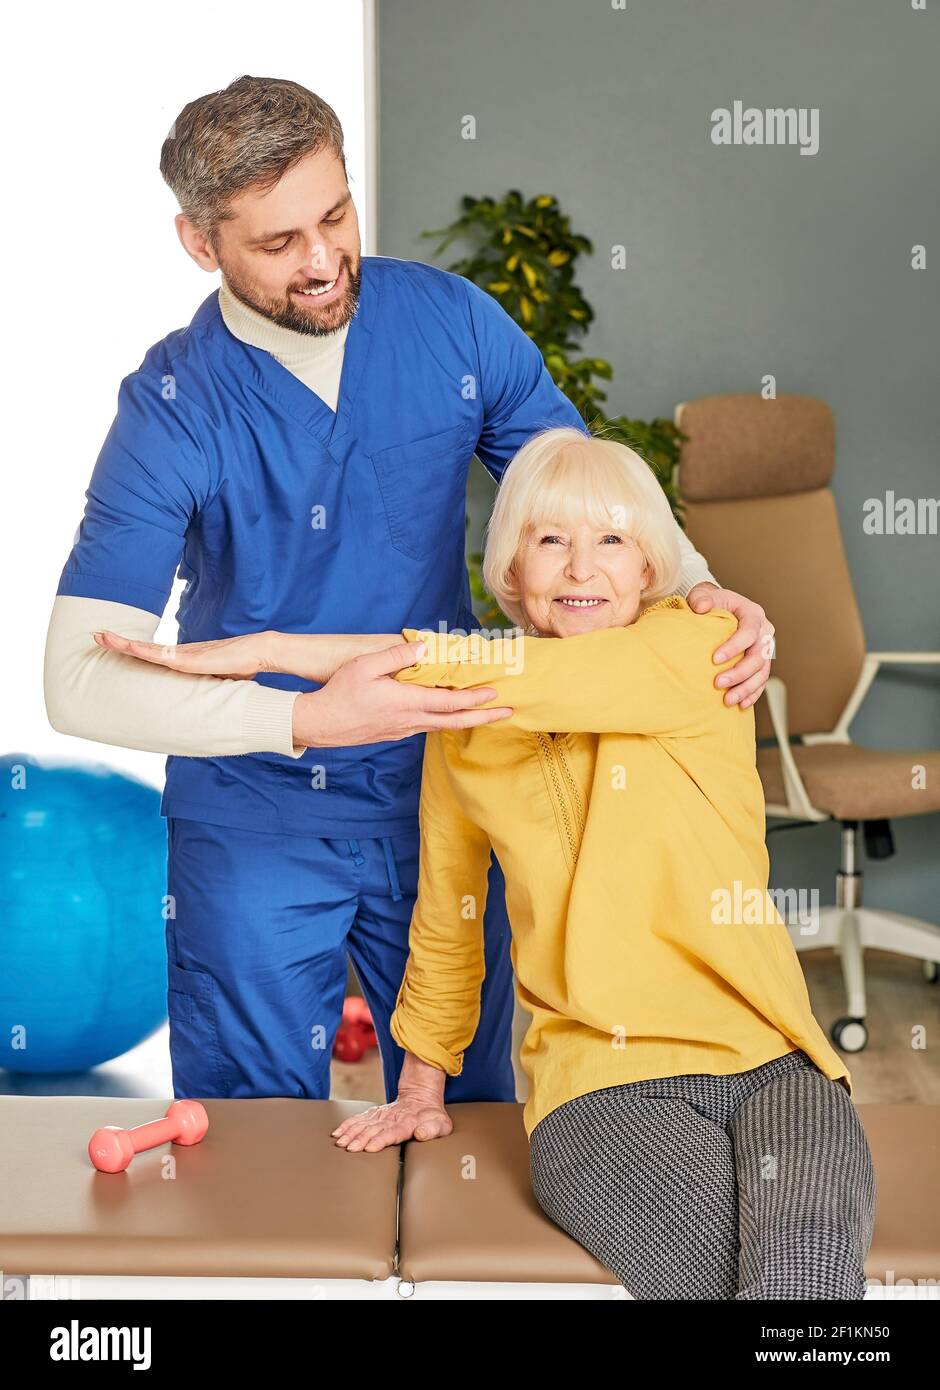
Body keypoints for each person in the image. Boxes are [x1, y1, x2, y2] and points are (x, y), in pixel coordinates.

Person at [44, 75, 773, 1113]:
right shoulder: (170, 409)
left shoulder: (451, 327)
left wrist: (707, 592)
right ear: (199, 243)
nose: (323, 259)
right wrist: (300, 716)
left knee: (473, 1125)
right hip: (253, 818)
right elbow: (78, 683)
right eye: (277, 241)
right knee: (261, 1157)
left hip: (451, 793)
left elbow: (588, 494)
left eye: (335, 215)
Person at [104, 427, 876, 1300]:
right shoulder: (462, 740)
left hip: (773, 1059)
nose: (583, 569)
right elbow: (446, 923)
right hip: (602, 1089)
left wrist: (270, 651)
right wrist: (421, 1083)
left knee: (807, 1256)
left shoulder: (698, 653)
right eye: (552, 541)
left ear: (652, 568)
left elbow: (481, 671)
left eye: (613, 540)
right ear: (511, 570)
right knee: (719, 1275)